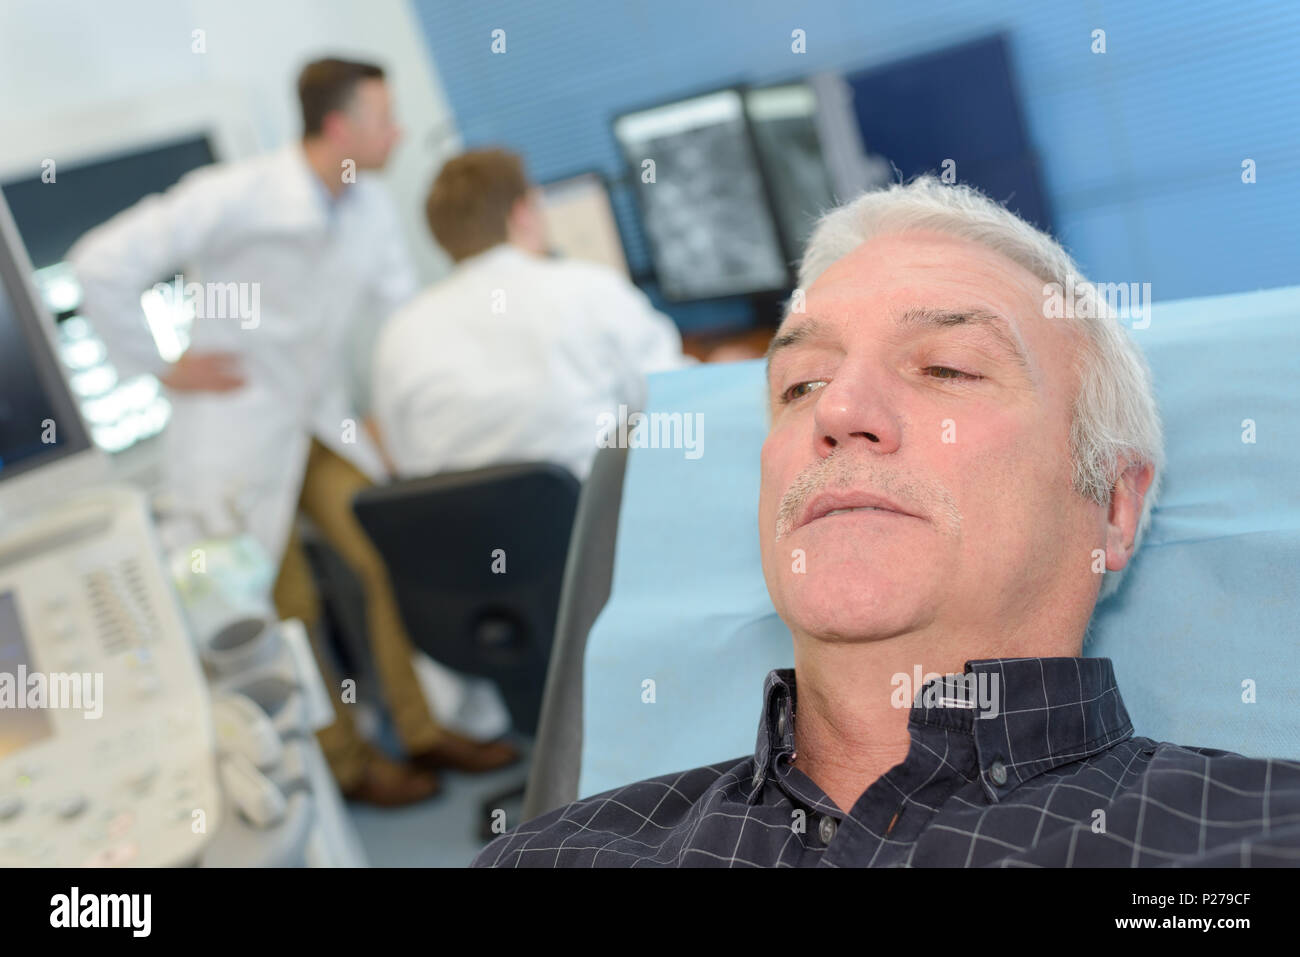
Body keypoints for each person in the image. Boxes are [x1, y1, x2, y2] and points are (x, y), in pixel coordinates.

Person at [472, 175, 1300, 866]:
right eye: (799, 384)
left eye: (946, 367)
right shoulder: (551, 854)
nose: (839, 409)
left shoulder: (1250, 841)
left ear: (1115, 504)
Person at [69, 57, 518, 808]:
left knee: (389, 553)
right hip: (238, 431)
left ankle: (426, 725)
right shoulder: (237, 194)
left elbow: (399, 314)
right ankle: (346, 763)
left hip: (321, 422)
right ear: (339, 127)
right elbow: (99, 264)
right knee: (287, 605)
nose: (398, 130)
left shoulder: (367, 207)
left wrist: (398, 405)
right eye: (383, 116)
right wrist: (161, 366)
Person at [371, 148, 690, 482]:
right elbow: (674, 398)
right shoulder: (589, 287)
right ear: (522, 212)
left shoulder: (400, 332)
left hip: (462, 531)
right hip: (598, 524)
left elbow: (404, 458)